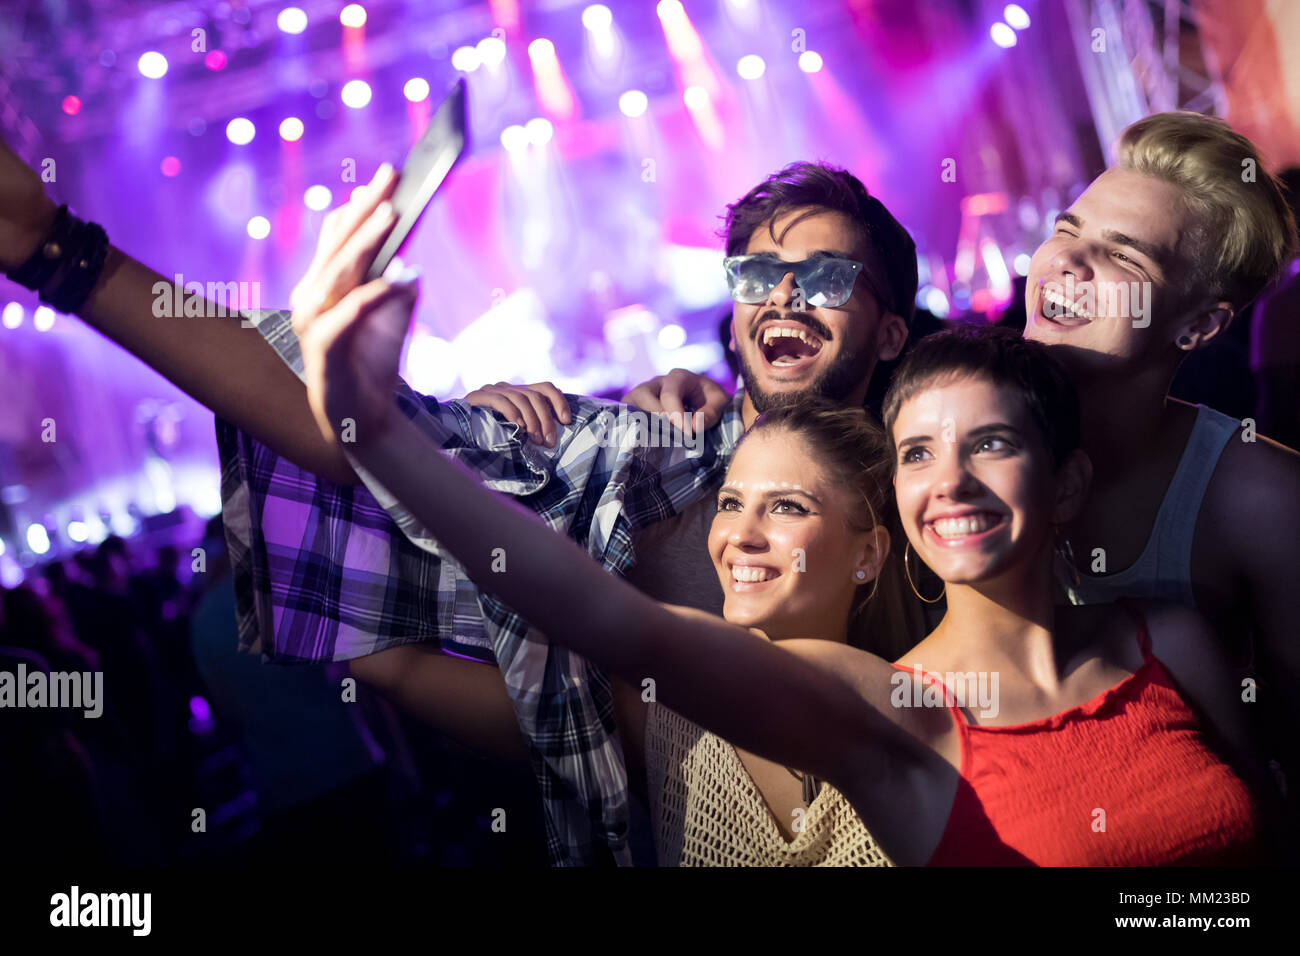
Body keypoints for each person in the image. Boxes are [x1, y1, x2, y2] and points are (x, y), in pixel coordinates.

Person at [0, 148, 920, 863]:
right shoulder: (639, 464)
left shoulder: (944, 499)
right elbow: (344, 433)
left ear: (891, 330)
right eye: (756, 277)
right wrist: (68, 258)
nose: (785, 295)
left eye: (828, 277)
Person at [299, 305, 1280, 864]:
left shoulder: (1175, 640)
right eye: (918, 454)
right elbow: (622, 628)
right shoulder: (892, 711)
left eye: (990, 443)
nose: (952, 481)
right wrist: (375, 430)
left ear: (1064, 480)